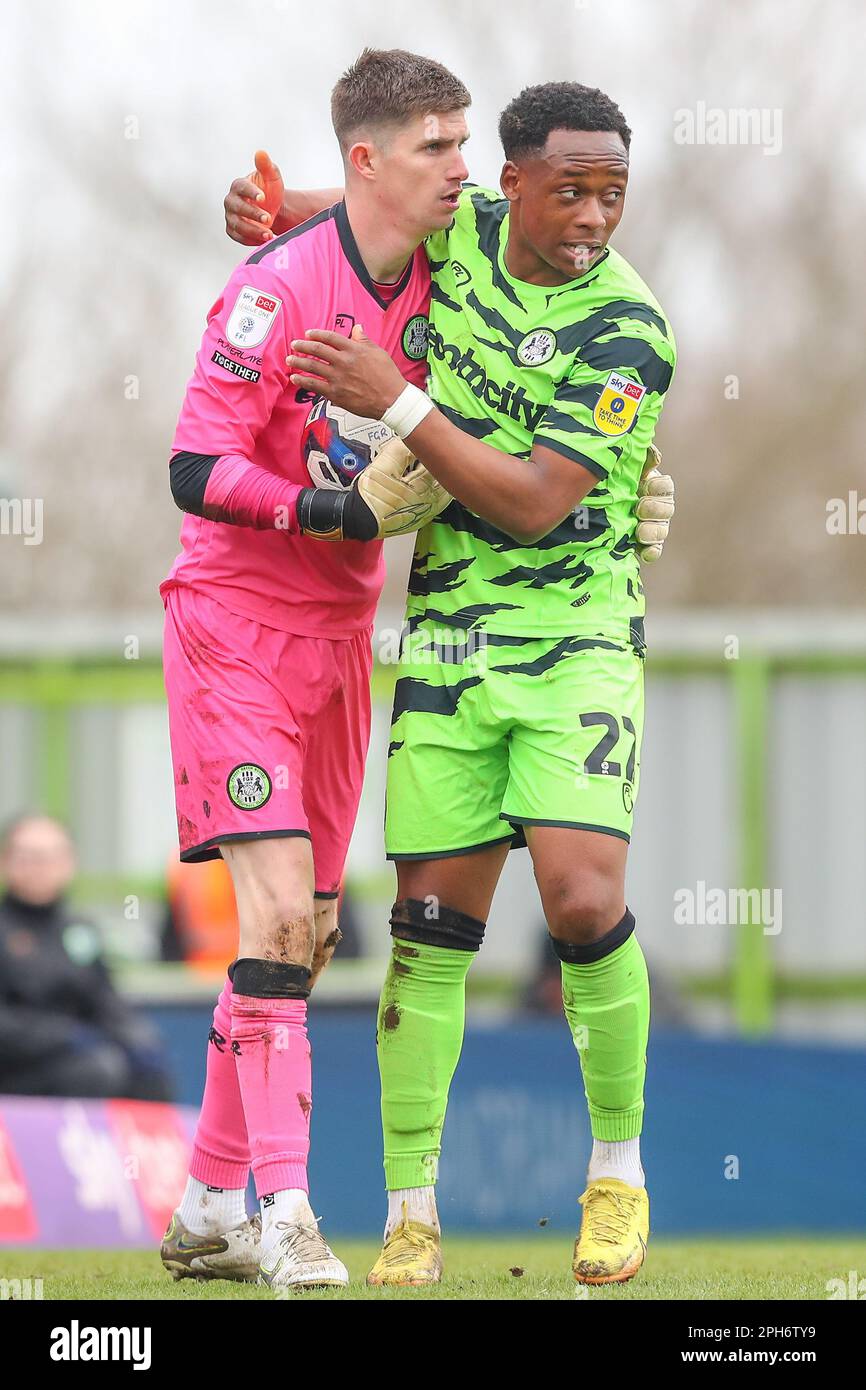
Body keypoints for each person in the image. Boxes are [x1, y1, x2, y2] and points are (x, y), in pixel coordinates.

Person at [232, 79, 676, 1287]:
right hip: (446, 641)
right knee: (429, 933)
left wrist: (401, 402)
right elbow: (360, 215)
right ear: (512, 183)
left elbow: (533, 503)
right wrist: (280, 210)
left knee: (582, 903)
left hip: (575, 633)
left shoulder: (626, 331)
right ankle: (412, 1212)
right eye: (570, 189)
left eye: (612, 193)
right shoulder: (468, 228)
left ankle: (617, 1175)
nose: (592, 215)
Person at [159, 48, 471, 1289]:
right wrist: (322, 515)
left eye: (462, 145)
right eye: (437, 148)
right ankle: (285, 1217)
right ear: (367, 157)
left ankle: (198, 1204)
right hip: (233, 619)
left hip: (344, 643)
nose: (461, 168)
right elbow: (190, 467)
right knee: (277, 914)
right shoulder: (271, 293)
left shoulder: (455, 280)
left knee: (315, 930)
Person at [0, 815, 171, 1102]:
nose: (42, 867)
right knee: (100, 1070)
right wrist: (66, 1037)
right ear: (6, 862)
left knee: (150, 1076)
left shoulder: (80, 930)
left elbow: (104, 999)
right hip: (20, 1068)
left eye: (53, 856)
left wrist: (136, 1039)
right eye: (31, 857)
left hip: (87, 1054)